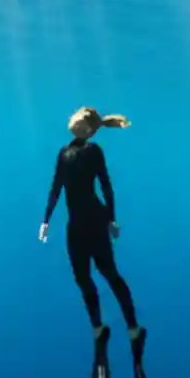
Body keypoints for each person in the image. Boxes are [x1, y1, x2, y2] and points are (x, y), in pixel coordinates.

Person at [40, 107, 145, 345]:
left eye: (77, 119)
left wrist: (112, 219)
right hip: (75, 225)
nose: (72, 120)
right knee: (82, 277)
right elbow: (56, 187)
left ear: (87, 127)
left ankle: (132, 326)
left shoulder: (94, 151)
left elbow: (106, 185)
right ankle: (98, 325)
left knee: (109, 272)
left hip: (94, 221)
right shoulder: (63, 153)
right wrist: (46, 220)